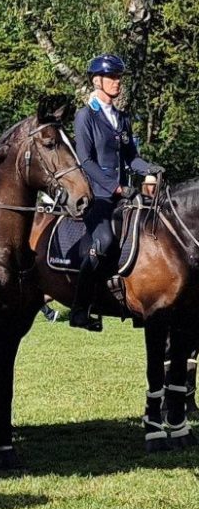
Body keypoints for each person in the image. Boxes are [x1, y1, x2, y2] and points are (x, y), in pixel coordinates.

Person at [69, 53, 162, 331]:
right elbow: (85, 161)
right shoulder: (85, 116)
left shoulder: (122, 118)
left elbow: (131, 157)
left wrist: (151, 168)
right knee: (105, 241)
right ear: (97, 81)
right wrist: (115, 186)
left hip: (125, 196)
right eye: (112, 77)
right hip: (97, 196)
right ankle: (80, 310)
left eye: (119, 77)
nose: (117, 82)